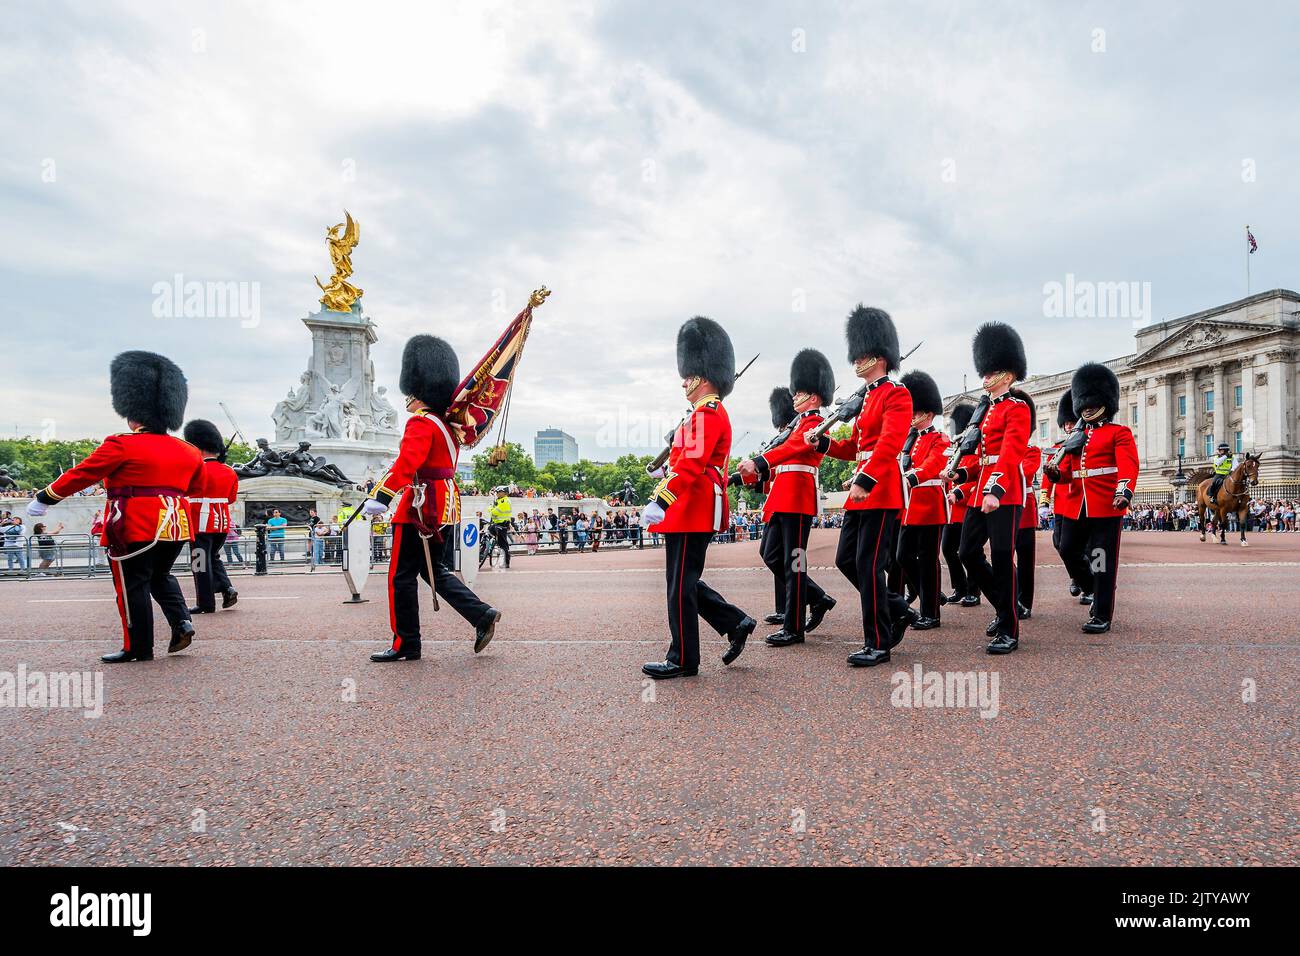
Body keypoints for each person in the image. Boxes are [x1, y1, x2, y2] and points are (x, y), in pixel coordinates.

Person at [27, 351, 202, 663]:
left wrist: (45, 497)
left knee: (132, 584)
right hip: (176, 524)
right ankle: (181, 622)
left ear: (133, 414)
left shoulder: (122, 444)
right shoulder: (188, 451)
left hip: (135, 522)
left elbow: (83, 474)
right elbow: (195, 488)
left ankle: (138, 647)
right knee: (160, 576)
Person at [359, 334, 501, 662]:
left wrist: (381, 495)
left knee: (400, 576)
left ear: (419, 391)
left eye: (410, 392)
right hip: (445, 505)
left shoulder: (420, 423)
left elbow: (407, 464)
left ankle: (405, 643)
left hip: (421, 507)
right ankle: (480, 614)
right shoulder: (447, 427)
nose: (406, 398)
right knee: (432, 571)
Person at [641, 316, 756, 680]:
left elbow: (691, 466)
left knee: (680, 584)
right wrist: (664, 471)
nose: (683, 381)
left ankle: (684, 658)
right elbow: (686, 461)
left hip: (691, 507)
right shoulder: (699, 416)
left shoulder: (707, 414)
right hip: (690, 505)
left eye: (688, 374)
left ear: (702, 375)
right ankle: (735, 622)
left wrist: (661, 499)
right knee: (683, 581)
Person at [808, 305, 914, 667]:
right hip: (861, 492)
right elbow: (855, 448)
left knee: (869, 565)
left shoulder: (896, 394)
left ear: (880, 357)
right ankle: (897, 608)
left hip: (880, 490)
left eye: (864, 353)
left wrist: (866, 479)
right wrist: (822, 443)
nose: (857, 360)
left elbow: (890, 443)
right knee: (846, 560)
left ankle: (878, 642)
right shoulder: (866, 398)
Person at [738, 349, 838, 647]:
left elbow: (792, 448)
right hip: (782, 495)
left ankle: (794, 628)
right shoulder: (798, 423)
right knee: (770, 554)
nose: (794, 398)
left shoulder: (813, 424)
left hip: (797, 495)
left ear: (814, 397)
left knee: (794, 562)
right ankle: (818, 598)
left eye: (800, 393)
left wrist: (760, 460)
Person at [952, 322, 1032, 655]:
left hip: (1004, 492)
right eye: (984, 372)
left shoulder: (1018, 408)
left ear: (1009, 376)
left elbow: (1011, 453)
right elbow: (981, 457)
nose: (986, 378)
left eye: (992, 372)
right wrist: (960, 476)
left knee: (1001, 556)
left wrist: (995, 491)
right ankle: (1004, 605)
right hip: (979, 491)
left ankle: (1009, 628)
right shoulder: (984, 413)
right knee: (966, 552)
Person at [1043, 363, 1139, 634]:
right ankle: (1091, 588)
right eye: (1083, 402)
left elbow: (1128, 465)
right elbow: (1067, 474)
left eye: (1092, 402)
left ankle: (1101, 614)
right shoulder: (1077, 437)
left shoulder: (1118, 433)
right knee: (1067, 549)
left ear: (1105, 403)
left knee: (1101, 560)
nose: (1086, 407)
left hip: (1105, 505)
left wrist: (1123, 492)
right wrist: (1054, 473)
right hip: (1076, 505)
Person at [894, 370, 952, 630]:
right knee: (903, 556)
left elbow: (933, 465)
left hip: (929, 504)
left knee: (929, 560)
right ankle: (932, 594)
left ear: (928, 414)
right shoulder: (909, 441)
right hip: (910, 504)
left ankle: (931, 613)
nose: (912, 416)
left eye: (915, 413)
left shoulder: (940, 439)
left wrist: (912, 477)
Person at [182, 419, 239, 613]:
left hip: (200, 523)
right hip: (221, 524)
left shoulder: (195, 469)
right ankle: (227, 587)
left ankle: (205, 603)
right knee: (213, 558)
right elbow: (230, 499)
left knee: (199, 563)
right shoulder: (230, 471)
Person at [1040, 388, 1082, 596]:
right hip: (1061, 504)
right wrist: (1044, 502)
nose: (1068, 426)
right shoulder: (1057, 447)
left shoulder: (1083, 445)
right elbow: (1048, 478)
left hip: (1079, 501)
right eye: (1066, 423)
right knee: (1059, 543)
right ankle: (1075, 575)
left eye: (1071, 422)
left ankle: (1084, 579)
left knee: (1076, 546)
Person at [941, 403, 978, 606]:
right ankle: (960, 586)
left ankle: (974, 590)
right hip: (952, 510)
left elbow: (975, 479)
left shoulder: (972, 451)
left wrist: (959, 492)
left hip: (967, 507)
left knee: (968, 551)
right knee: (948, 549)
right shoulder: (955, 450)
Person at [1011, 390, 1041, 619]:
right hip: (1005, 508)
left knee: (1025, 558)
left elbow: (1026, 473)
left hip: (1024, 509)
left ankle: (1025, 601)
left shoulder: (1031, 451)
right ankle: (1011, 596)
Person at [488, 488, 513, 570]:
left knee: (503, 544)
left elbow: (494, 512)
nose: (497, 493)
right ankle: (485, 551)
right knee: (488, 531)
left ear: (505, 493)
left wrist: (491, 509)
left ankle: (506, 562)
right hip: (496, 524)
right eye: (497, 492)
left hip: (502, 525)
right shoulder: (499, 500)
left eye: (499, 492)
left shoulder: (504, 501)